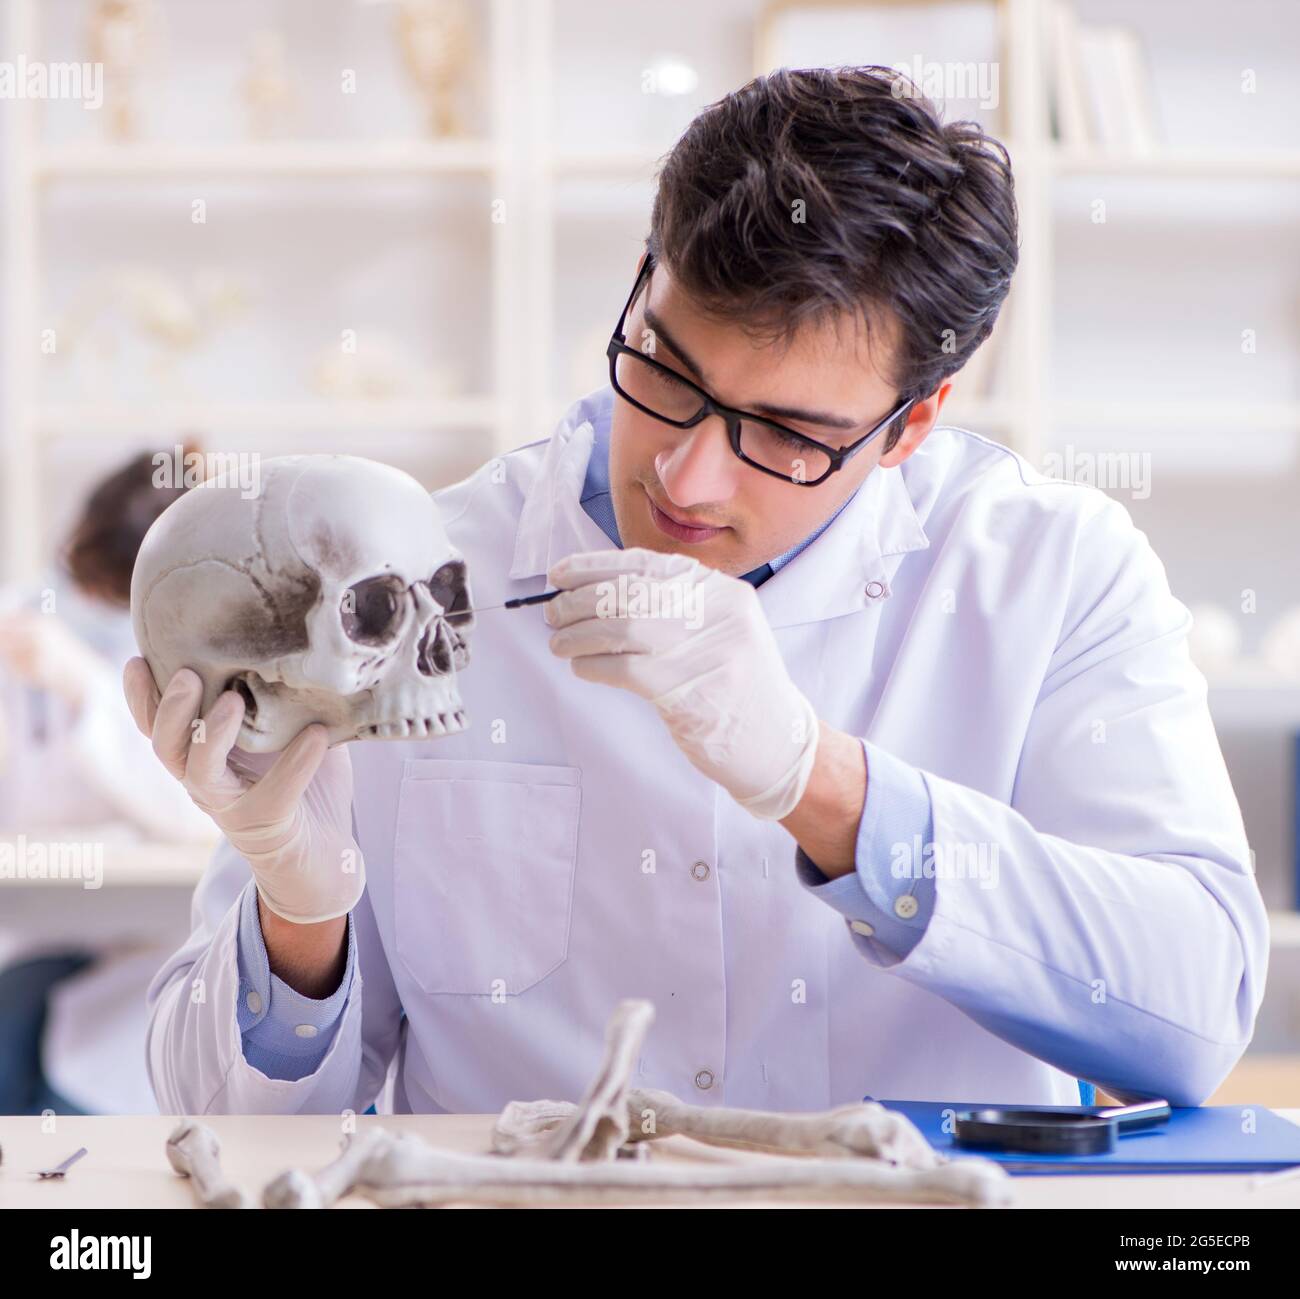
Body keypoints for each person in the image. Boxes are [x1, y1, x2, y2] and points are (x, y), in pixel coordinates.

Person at [130, 68, 1266, 1116]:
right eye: (667, 373)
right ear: (639, 284)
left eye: (785, 432)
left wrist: (823, 785)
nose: (686, 475)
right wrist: (299, 910)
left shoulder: (1049, 574)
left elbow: (1192, 1016)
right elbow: (217, 1128)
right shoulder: (413, 578)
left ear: (913, 422)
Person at [0, 450, 211, 1114]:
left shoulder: (203, 660)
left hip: (156, 953)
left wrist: (84, 687)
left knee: (75, 1100)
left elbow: (198, 809)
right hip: (38, 940)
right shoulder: (24, 620)